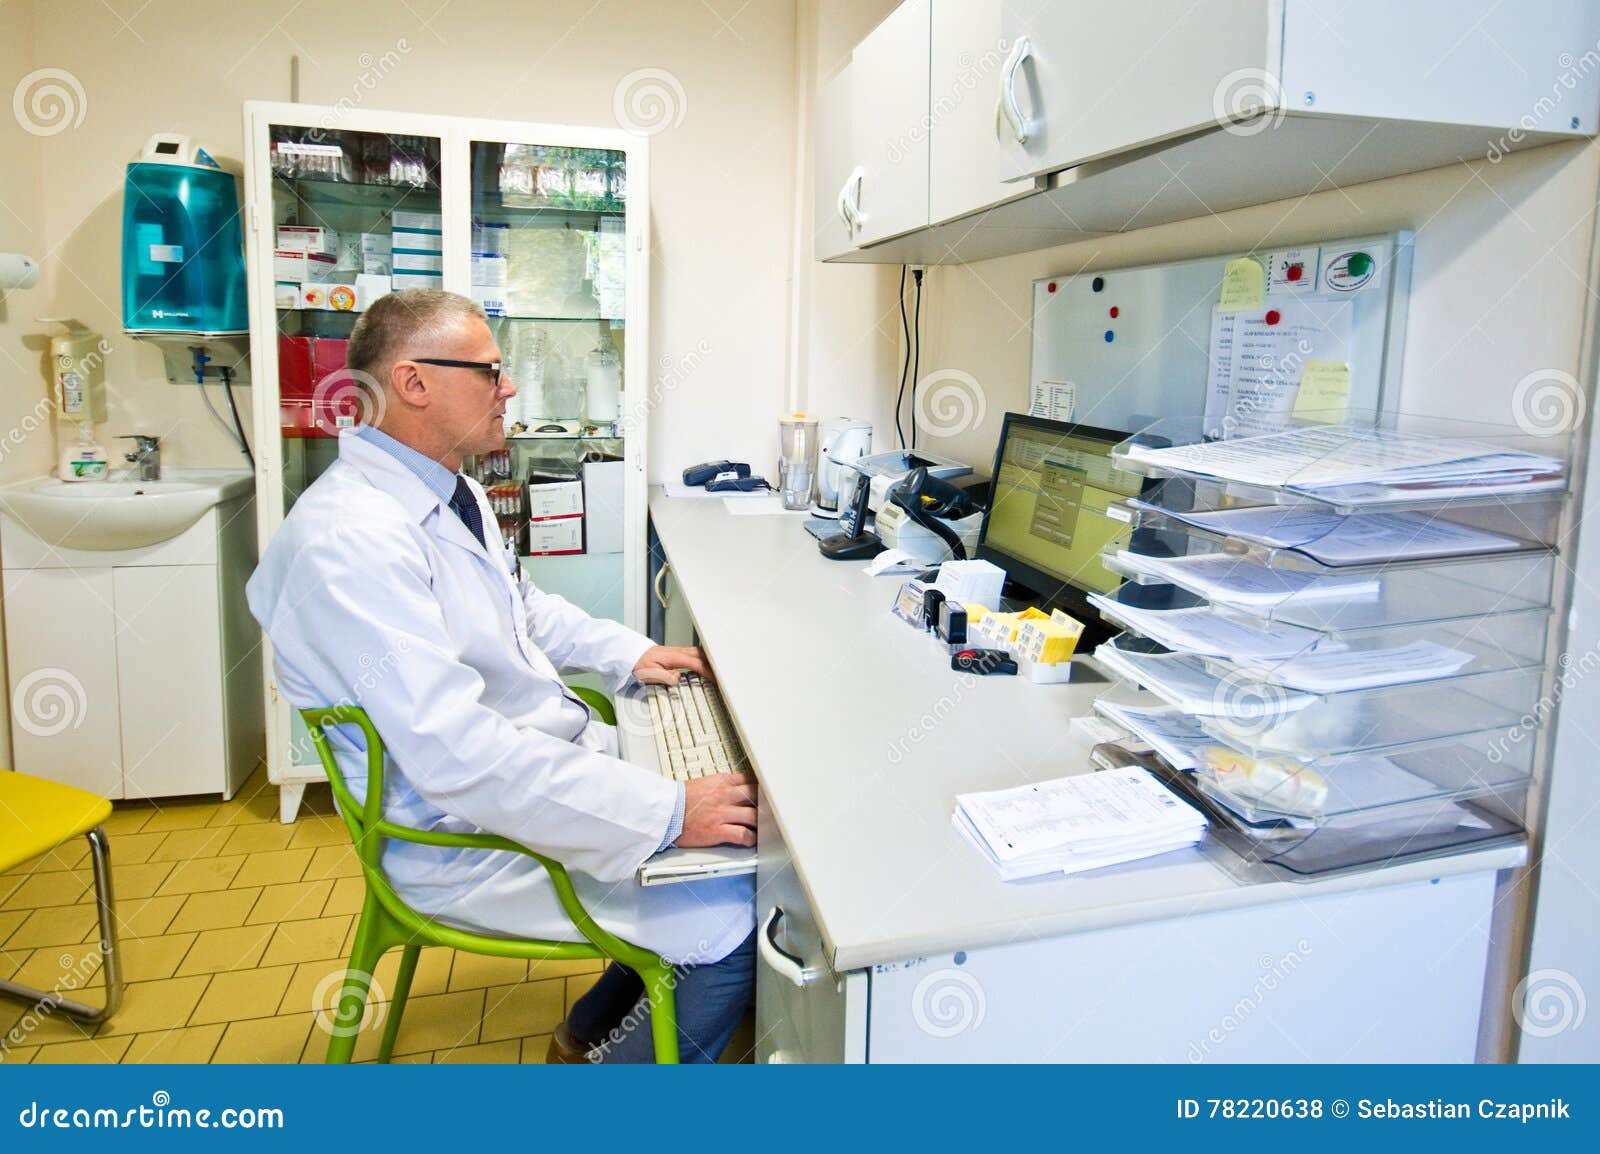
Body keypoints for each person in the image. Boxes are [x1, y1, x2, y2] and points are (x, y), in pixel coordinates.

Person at [247, 290, 757, 1063]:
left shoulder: (449, 490)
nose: (509, 388)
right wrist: (663, 813)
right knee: (746, 911)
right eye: (490, 371)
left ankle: (586, 1031)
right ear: (415, 383)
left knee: (717, 825)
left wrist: (630, 653)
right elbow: (458, 757)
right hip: (461, 838)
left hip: (520, 778)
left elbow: (521, 612)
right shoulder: (351, 542)